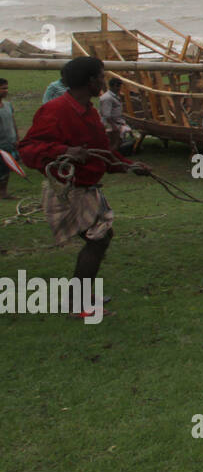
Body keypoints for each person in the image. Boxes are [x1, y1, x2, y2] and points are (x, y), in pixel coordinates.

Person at [18, 57, 151, 317]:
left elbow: (102, 153)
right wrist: (64, 150)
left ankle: (82, 294)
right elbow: (28, 150)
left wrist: (129, 165)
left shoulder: (88, 111)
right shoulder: (55, 111)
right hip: (70, 191)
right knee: (98, 240)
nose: (103, 81)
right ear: (90, 80)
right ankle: (77, 303)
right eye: (101, 76)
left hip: (88, 188)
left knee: (101, 238)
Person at [97, 78, 132, 152]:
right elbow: (106, 115)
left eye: (120, 86)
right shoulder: (107, 98)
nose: (119, 88)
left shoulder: (114, 96)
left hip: (117, 122)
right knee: (113, 144)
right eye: (117, 86)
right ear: (112, 86)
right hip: (110, 124)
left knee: (118, 142)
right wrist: (114, 126)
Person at [0, 78, 15, 199]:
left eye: (6, 88)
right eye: (3, 88)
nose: (6, 91)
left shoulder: (8, 105)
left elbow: (12, 121)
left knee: (6, 168)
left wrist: (17, 138)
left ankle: (3, 192)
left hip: (9, 142)